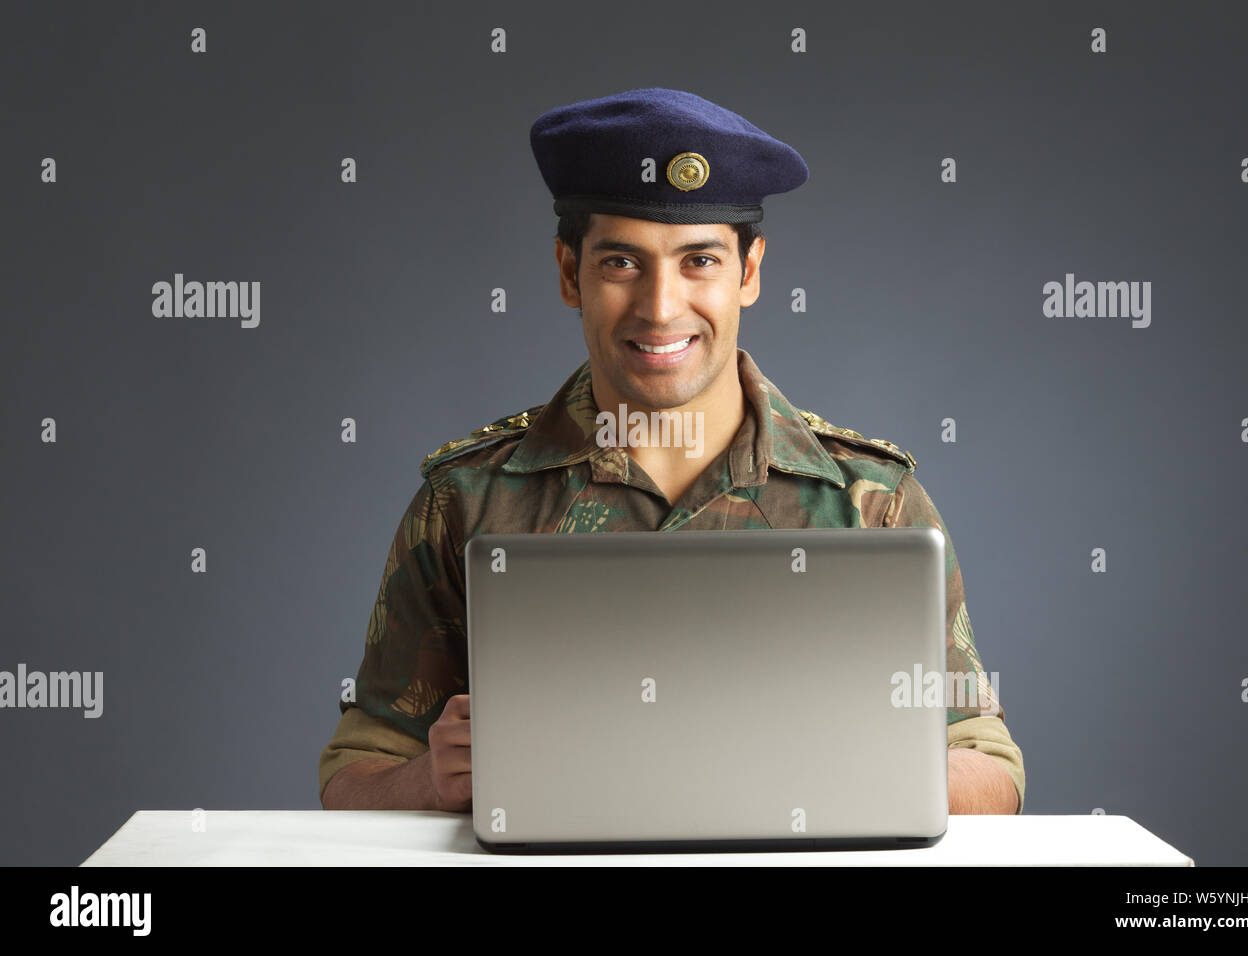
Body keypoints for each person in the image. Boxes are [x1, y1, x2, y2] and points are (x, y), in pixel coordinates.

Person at [319, 87, 1025, 815]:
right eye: (622, 262)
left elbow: (988, 761)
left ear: (748, 273)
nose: (660, 306)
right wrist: (431, 782)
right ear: (570, 273)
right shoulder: (467, 499)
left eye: (699, 261)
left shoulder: (874, 502)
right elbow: (354, 775)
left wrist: (862, 772)